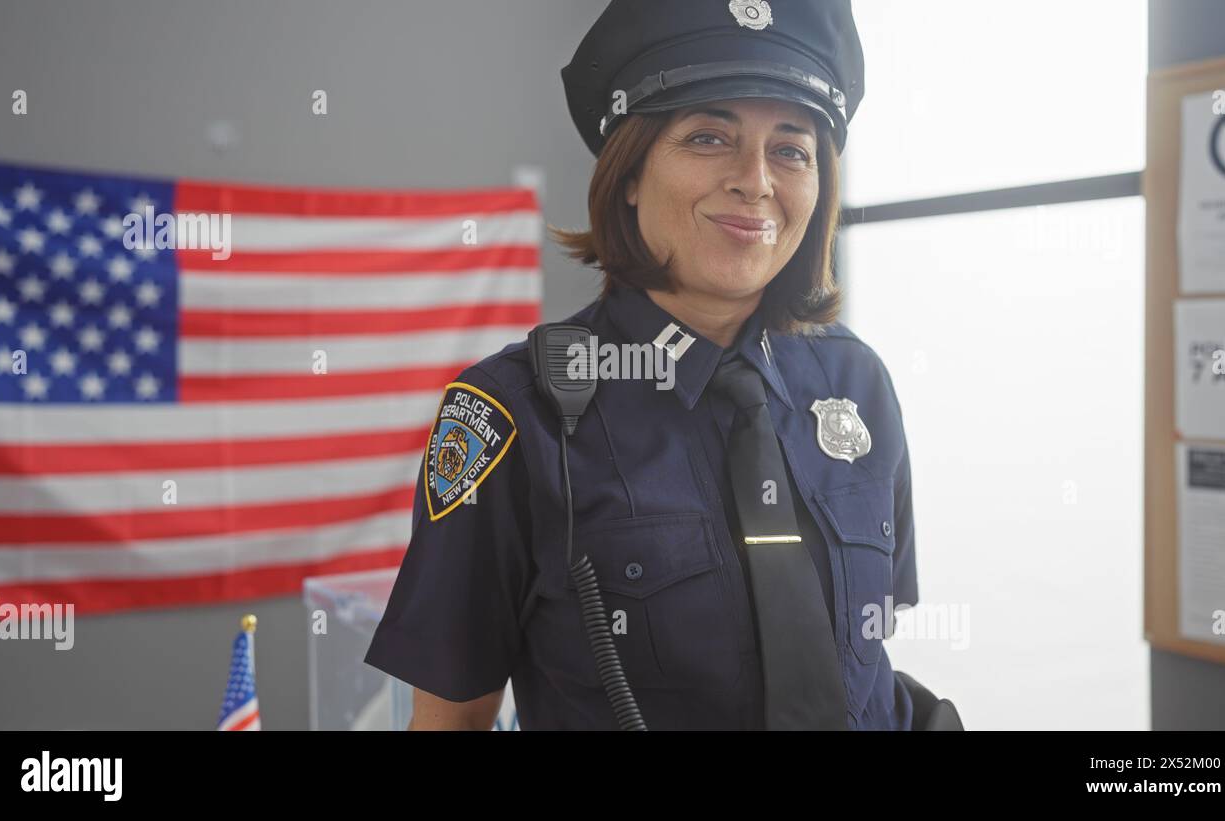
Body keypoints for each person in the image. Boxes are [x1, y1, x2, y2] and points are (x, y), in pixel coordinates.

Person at [364, 0, 923, 730]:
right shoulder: (511, 414)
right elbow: (452, 721)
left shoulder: (857, 384)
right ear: (628, 173)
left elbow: (863, 659)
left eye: (791, 149)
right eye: (709, 136)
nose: (754, 180)